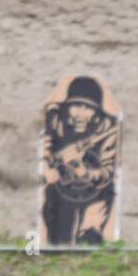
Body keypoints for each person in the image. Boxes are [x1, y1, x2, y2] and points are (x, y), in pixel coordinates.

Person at [41, 75, 120, 245]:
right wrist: (49, 168)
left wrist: (86, 174)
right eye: (76, 106)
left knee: (90, 237)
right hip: (63, 188)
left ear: (97, 113)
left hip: (95, 190)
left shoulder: (107, 130)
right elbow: (46, 153)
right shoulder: (57, 122)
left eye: (88, 108)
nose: (80, 114)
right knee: (57, 239)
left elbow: (108, 172)